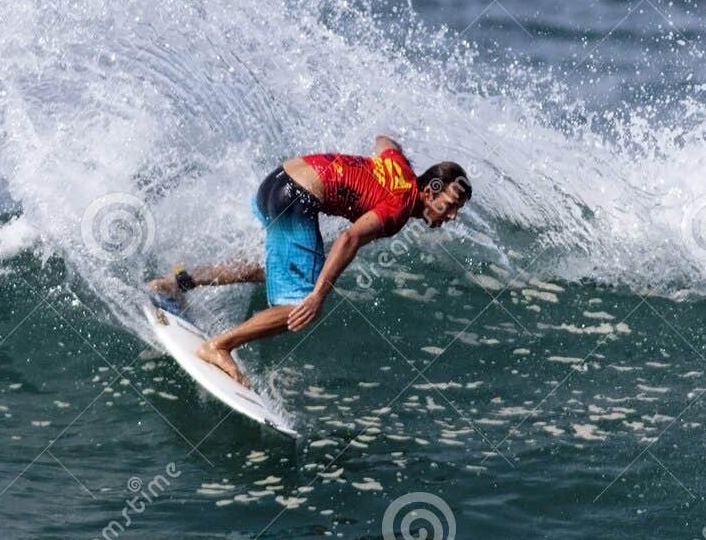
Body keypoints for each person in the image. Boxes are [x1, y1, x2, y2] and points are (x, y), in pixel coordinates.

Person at [147, 135, 471, 386]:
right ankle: (218, 346)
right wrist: (318, 295)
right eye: (452, 204)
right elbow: (349, 239)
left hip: (277, 181)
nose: (453, 215)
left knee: (268, 269)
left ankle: (174, 283)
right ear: (430, 191)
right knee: (299, 305)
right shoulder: (398, 209)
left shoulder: (399, 166)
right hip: (296, 198)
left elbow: (385, 141)